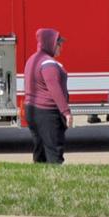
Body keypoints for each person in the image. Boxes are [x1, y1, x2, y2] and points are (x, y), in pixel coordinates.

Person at [23, 28, 72, 164]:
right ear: (50, 43)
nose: (61, 48)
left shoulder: (32, 59)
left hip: (32, 110)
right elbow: (54, 88)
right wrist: (66, 112)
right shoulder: (48, 63)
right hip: (48, 114)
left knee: (40, 151)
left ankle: (39, 180)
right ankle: (55, 181)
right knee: (54, 152)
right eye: (59, 44)